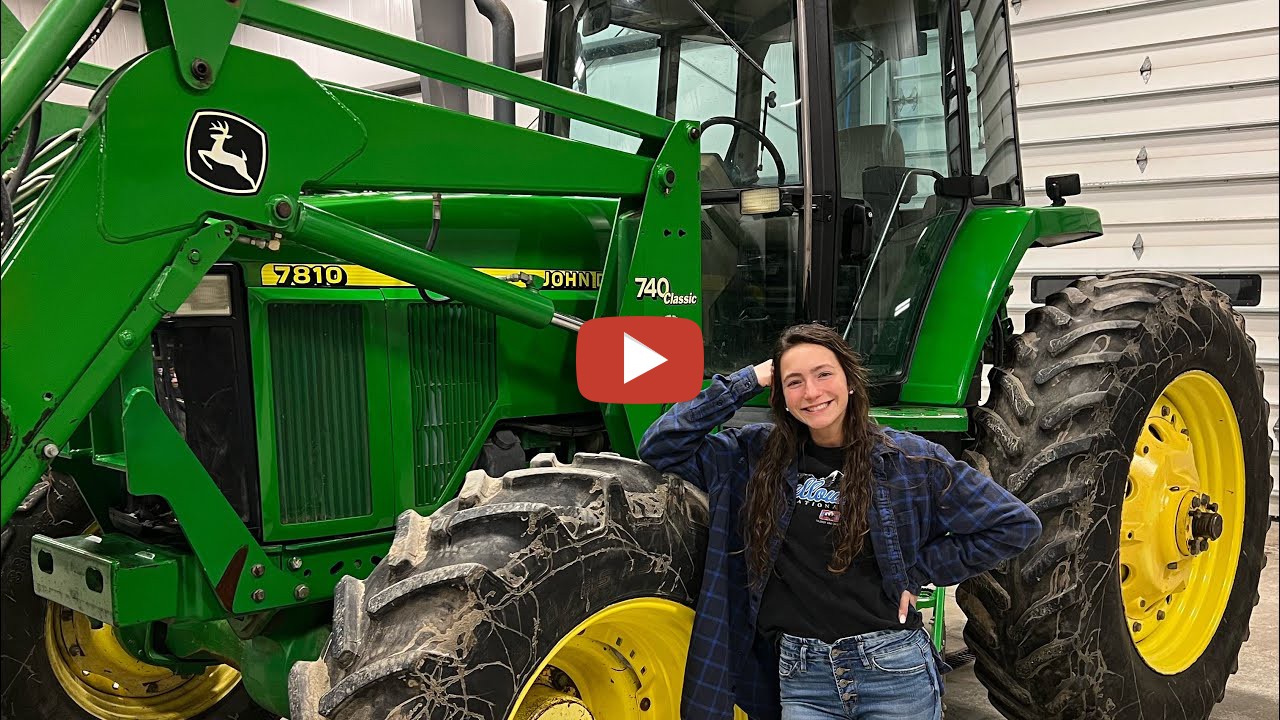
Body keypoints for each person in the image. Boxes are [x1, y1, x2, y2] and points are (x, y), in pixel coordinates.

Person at [637, 323, 1042, 720]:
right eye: (794, 382)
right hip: (802, 675)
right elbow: (661, 446)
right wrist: (749, 379)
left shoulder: (911, 460)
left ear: (849, 381)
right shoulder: (752, 456)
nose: (811, 392)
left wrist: (917, 570)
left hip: (891, 671)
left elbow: (1014, 525)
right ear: (781, 395)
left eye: (823, 374)